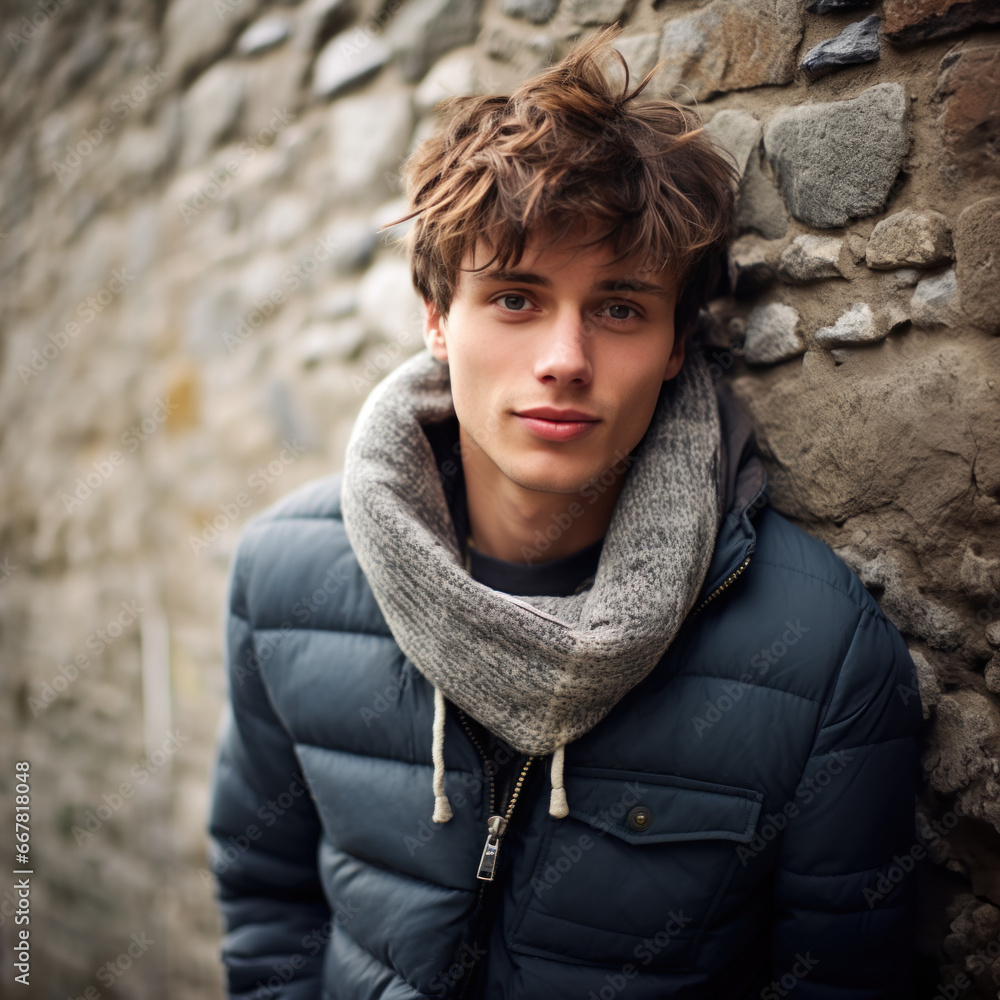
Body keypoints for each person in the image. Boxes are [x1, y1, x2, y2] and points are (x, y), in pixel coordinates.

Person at [206, 23, 924, 999]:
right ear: (433, 321)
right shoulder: (286, 578)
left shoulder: (819, 653)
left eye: (620, 307)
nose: (564, 357)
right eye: (513, 298)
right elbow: (267, 899)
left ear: (677, 343)